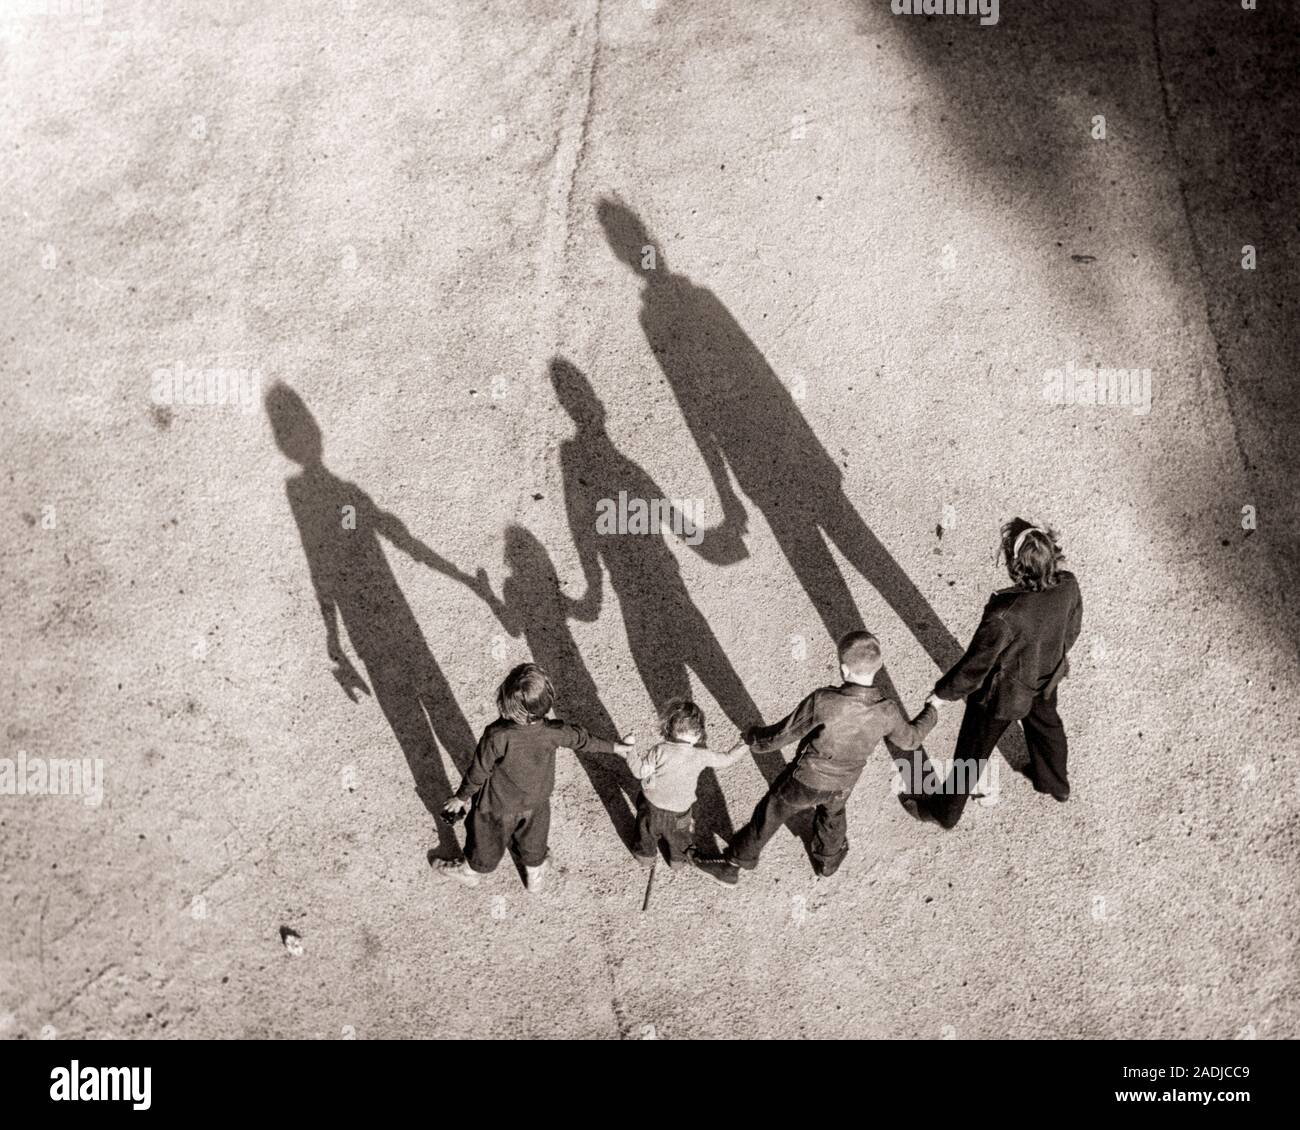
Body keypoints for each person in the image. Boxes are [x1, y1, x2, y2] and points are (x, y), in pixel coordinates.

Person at [716, 632, 937, 880]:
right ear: (880, 665)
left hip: (805, 779)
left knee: (771, 812)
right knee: (833, 816)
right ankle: (828, 862)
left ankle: (735, 862)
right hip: (844, 783)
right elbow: (911, 739)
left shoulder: (824, 701)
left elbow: (781, 735)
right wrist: (932, 710)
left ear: (844, 669)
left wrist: (753, 738)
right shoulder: (887, 711)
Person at [921, 519, 1083, 827]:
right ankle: (1054, 783)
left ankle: (945, 813)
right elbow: (1072, 629)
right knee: (1048, 729)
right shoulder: (1069, 585)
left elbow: (976, 665)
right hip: (1047, 679)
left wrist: (942, 694)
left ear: (1015, 565)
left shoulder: (1005, 613)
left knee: (971, 751)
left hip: (1004, 695)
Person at [435, 663, 634, 893]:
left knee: (485, 842)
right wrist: (616, 747)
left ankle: (471, 872)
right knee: (533, 840)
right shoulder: (554, 732)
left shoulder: (497, 735)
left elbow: (478, 771)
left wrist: (460, 798)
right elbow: (583, 739)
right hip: (537, 802)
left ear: (507, 702)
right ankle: (535, 877)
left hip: (497, 806)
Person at [625, 700, 747, 873]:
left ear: (668, 727)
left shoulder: (659, 750)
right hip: (679, 811)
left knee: (645, 831)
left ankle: (645, 855)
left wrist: (630, 749)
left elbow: (639, 772)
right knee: (679, 837)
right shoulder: (701, 755)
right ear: (698, 735)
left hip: (652, 807)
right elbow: (727, 759)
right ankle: (677, 861)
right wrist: (744, 744)